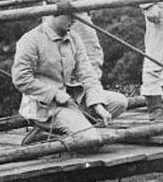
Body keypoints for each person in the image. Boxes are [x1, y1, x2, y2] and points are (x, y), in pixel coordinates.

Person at [12, 12, 128, 146]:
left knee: (119, 102)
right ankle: (46, 135)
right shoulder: (31, 39)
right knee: (90, 140)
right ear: (53, 14)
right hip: (45, 106)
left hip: (71, 98)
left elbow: (87, 74)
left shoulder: (74, 37)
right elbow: (21, 78)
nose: (74, 20)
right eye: (70, 15)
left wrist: (97, 105)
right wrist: (54, 94)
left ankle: (72, 127)